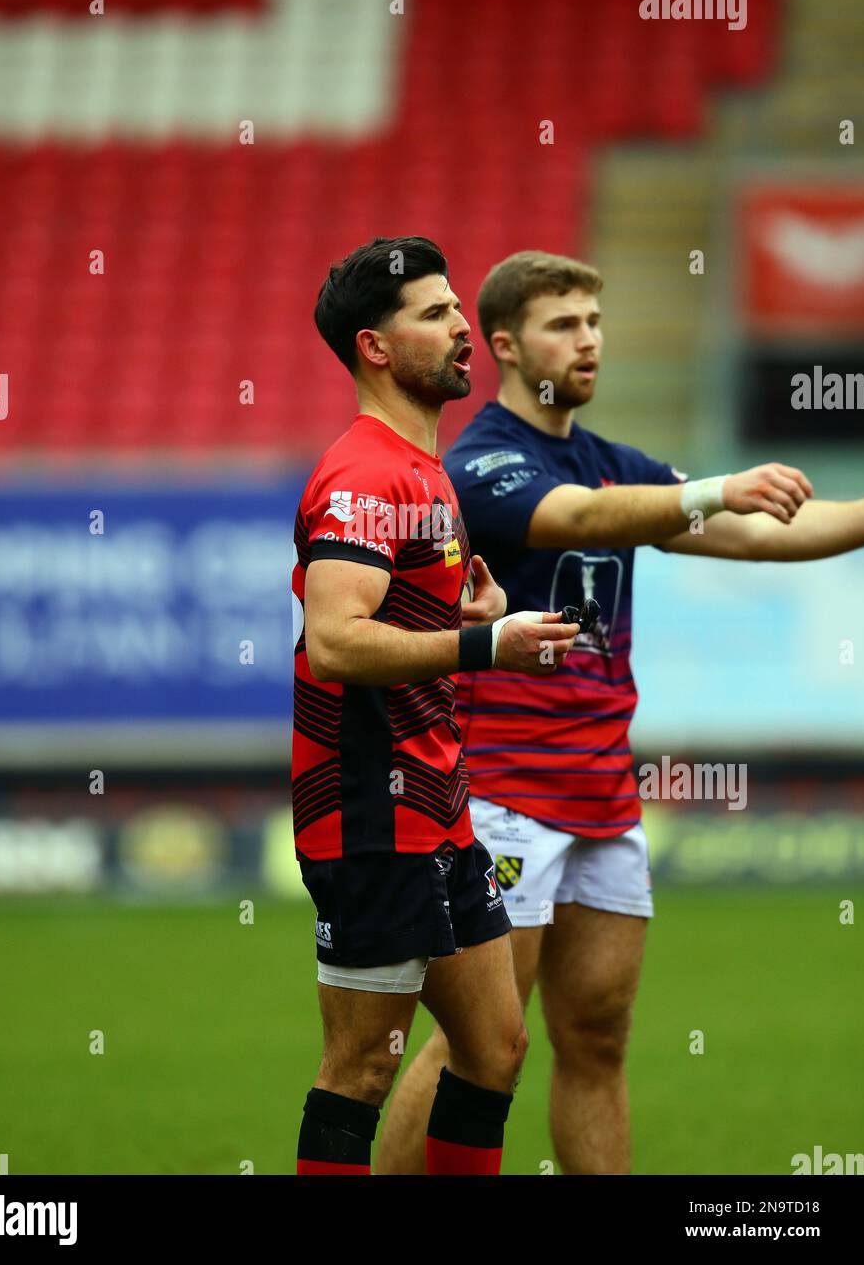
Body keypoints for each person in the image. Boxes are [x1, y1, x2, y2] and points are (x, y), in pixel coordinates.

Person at [377, 249, 864, 1175]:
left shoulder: (617, 463)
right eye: (565, 324)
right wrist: (710, 490)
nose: (589, 341)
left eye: (596, 323)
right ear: (506, 346)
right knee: (477, 1044)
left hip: (603, 798)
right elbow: (577, 520)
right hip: (498, 796)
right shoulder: (480, 457)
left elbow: (768, 535)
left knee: (598, 1042)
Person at [292, 237, 580, 1174]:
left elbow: (400, 625)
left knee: (496, 1049)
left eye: (459, 308)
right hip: (372, 814)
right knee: (361, 1070)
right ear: (376, 348)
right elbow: (337, 639)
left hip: (440, 808)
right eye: (434, 314)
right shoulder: (362, 475)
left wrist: (472, 619)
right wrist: (483, 643)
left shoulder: (425, 470)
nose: (463, 329)